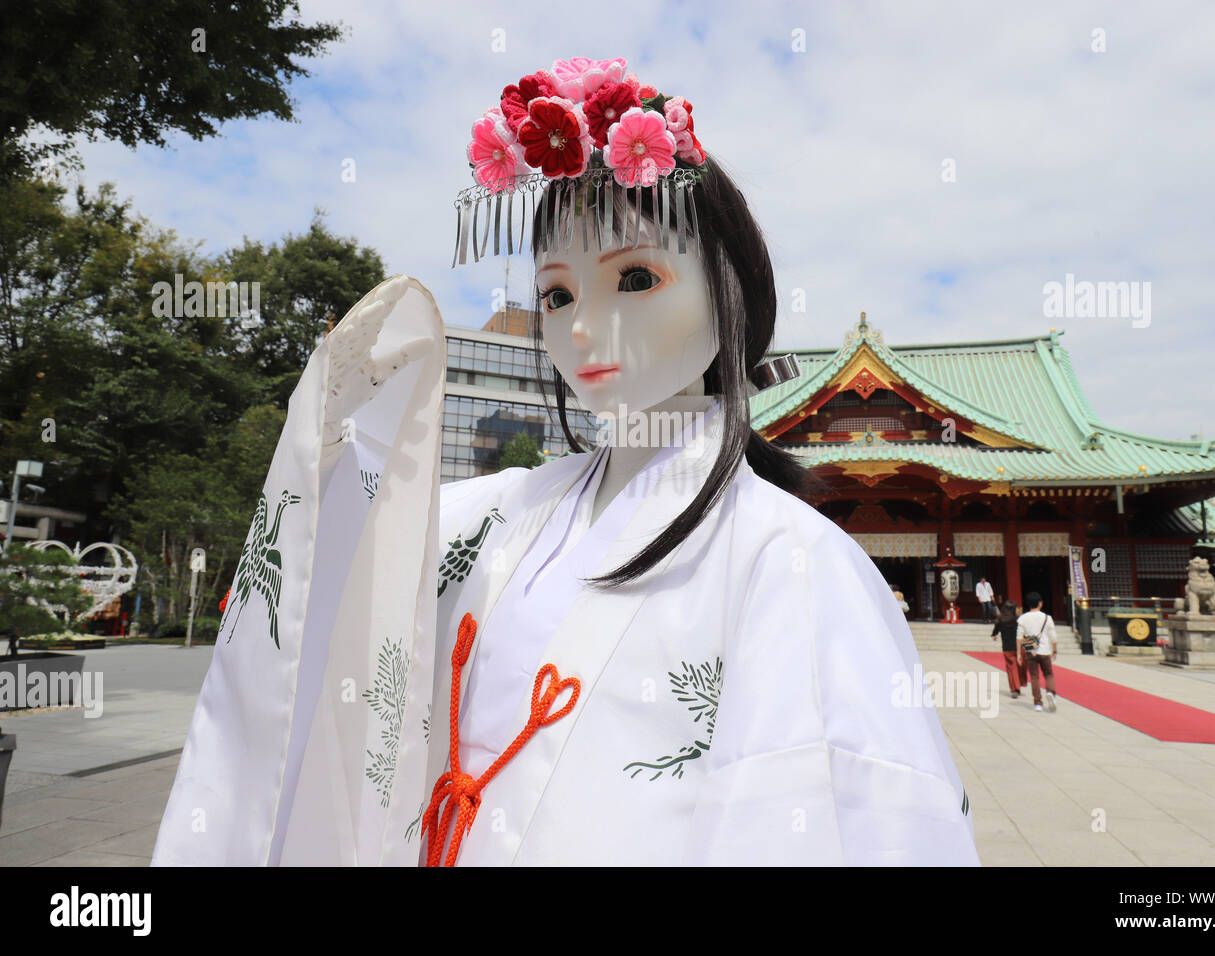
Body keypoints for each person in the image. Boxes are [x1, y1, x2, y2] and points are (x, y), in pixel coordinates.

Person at [152, 55, 979, 867]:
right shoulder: (492, 514)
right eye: (557, 293)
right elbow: (332, 604)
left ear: (732, 294)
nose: (583, 327)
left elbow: (818, 816)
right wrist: (336, 445)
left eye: (636, 277)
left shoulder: (793, 563)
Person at [1017, 591, 1058, 712]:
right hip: (1045, 650)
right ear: (1040, 603)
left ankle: (1037, 702)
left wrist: (1019, 653)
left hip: (1030, 650)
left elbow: (1019, 637)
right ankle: (1050, 693)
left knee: (1034, 676)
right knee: (1048, 674)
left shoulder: (1022, 618)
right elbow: (1053, 636)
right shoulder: (1047, 618)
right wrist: (1054, 650)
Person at [990, 601, 1025, 697]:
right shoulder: (1018, 619)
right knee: (1020, 667)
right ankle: (1020, 684)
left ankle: (1014, 688)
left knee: (1011, 667)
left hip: (1007, 647)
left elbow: (996, 629)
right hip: (1018, 646)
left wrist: (994, 635)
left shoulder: (1001, 619)